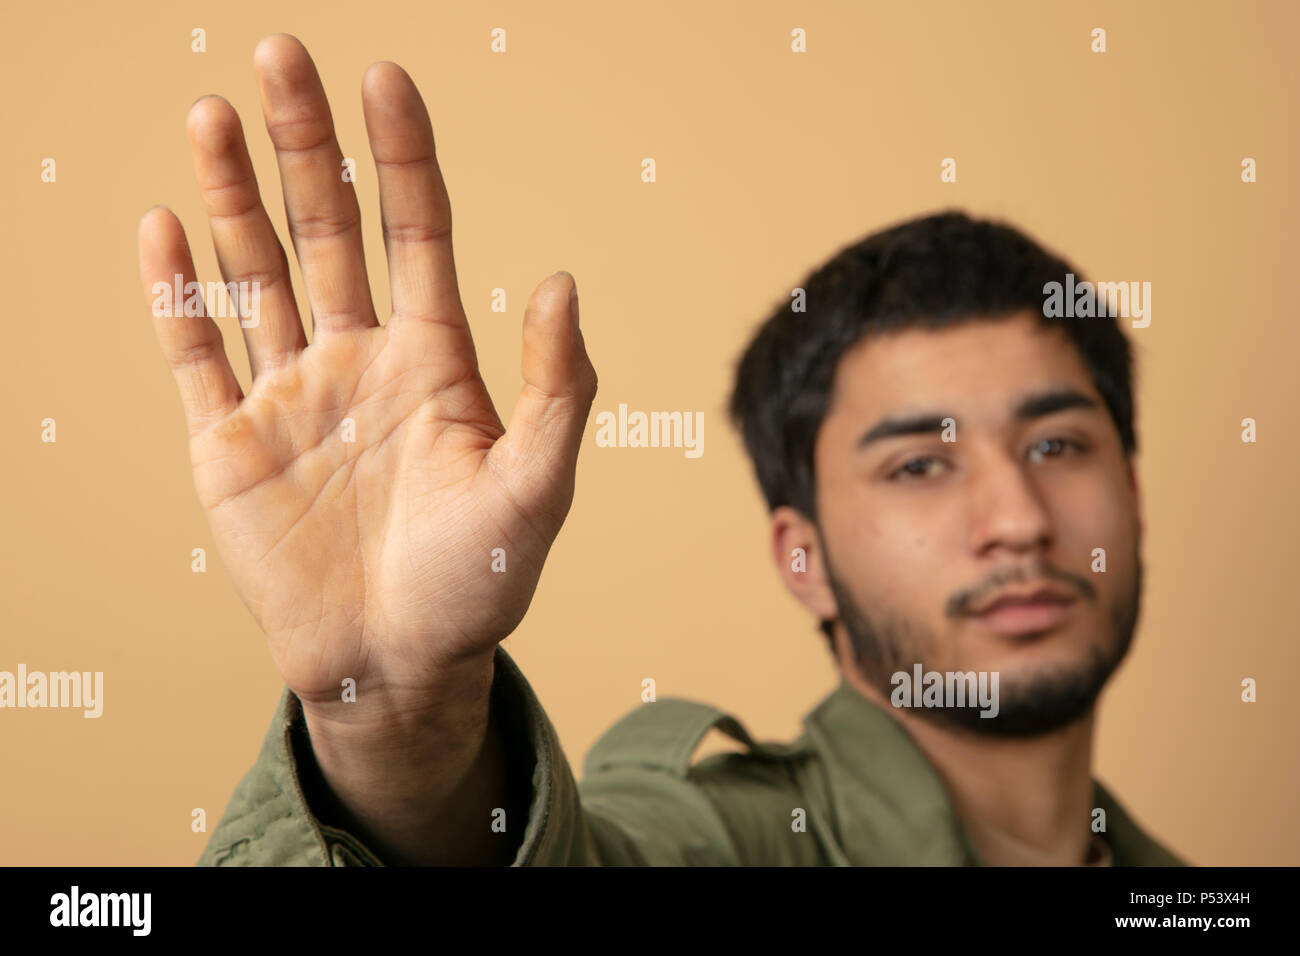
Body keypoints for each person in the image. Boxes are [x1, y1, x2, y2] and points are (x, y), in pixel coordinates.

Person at [136, 33, 1184, 867]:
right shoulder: (710, 835)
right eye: (917, 464)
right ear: (800, 554)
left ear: (1131, 493)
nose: (1017, 518)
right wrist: (393, 713)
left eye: (1055, 443)